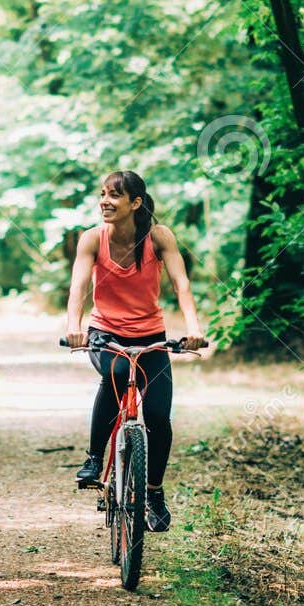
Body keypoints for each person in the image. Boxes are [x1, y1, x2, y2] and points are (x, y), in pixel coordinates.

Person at [64, 170, 206, 531]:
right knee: (115, 373)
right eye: (102, 194)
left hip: (150, 337)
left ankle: (154, 492)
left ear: (135, 203)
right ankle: (95, 458)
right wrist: (74, 326)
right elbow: (79, 286)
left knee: (158, 415)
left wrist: (193, 328)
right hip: (105, 333)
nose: (105, 202)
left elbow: (181, 283)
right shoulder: (92, 239)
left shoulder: (158, 238)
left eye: (114, 196)